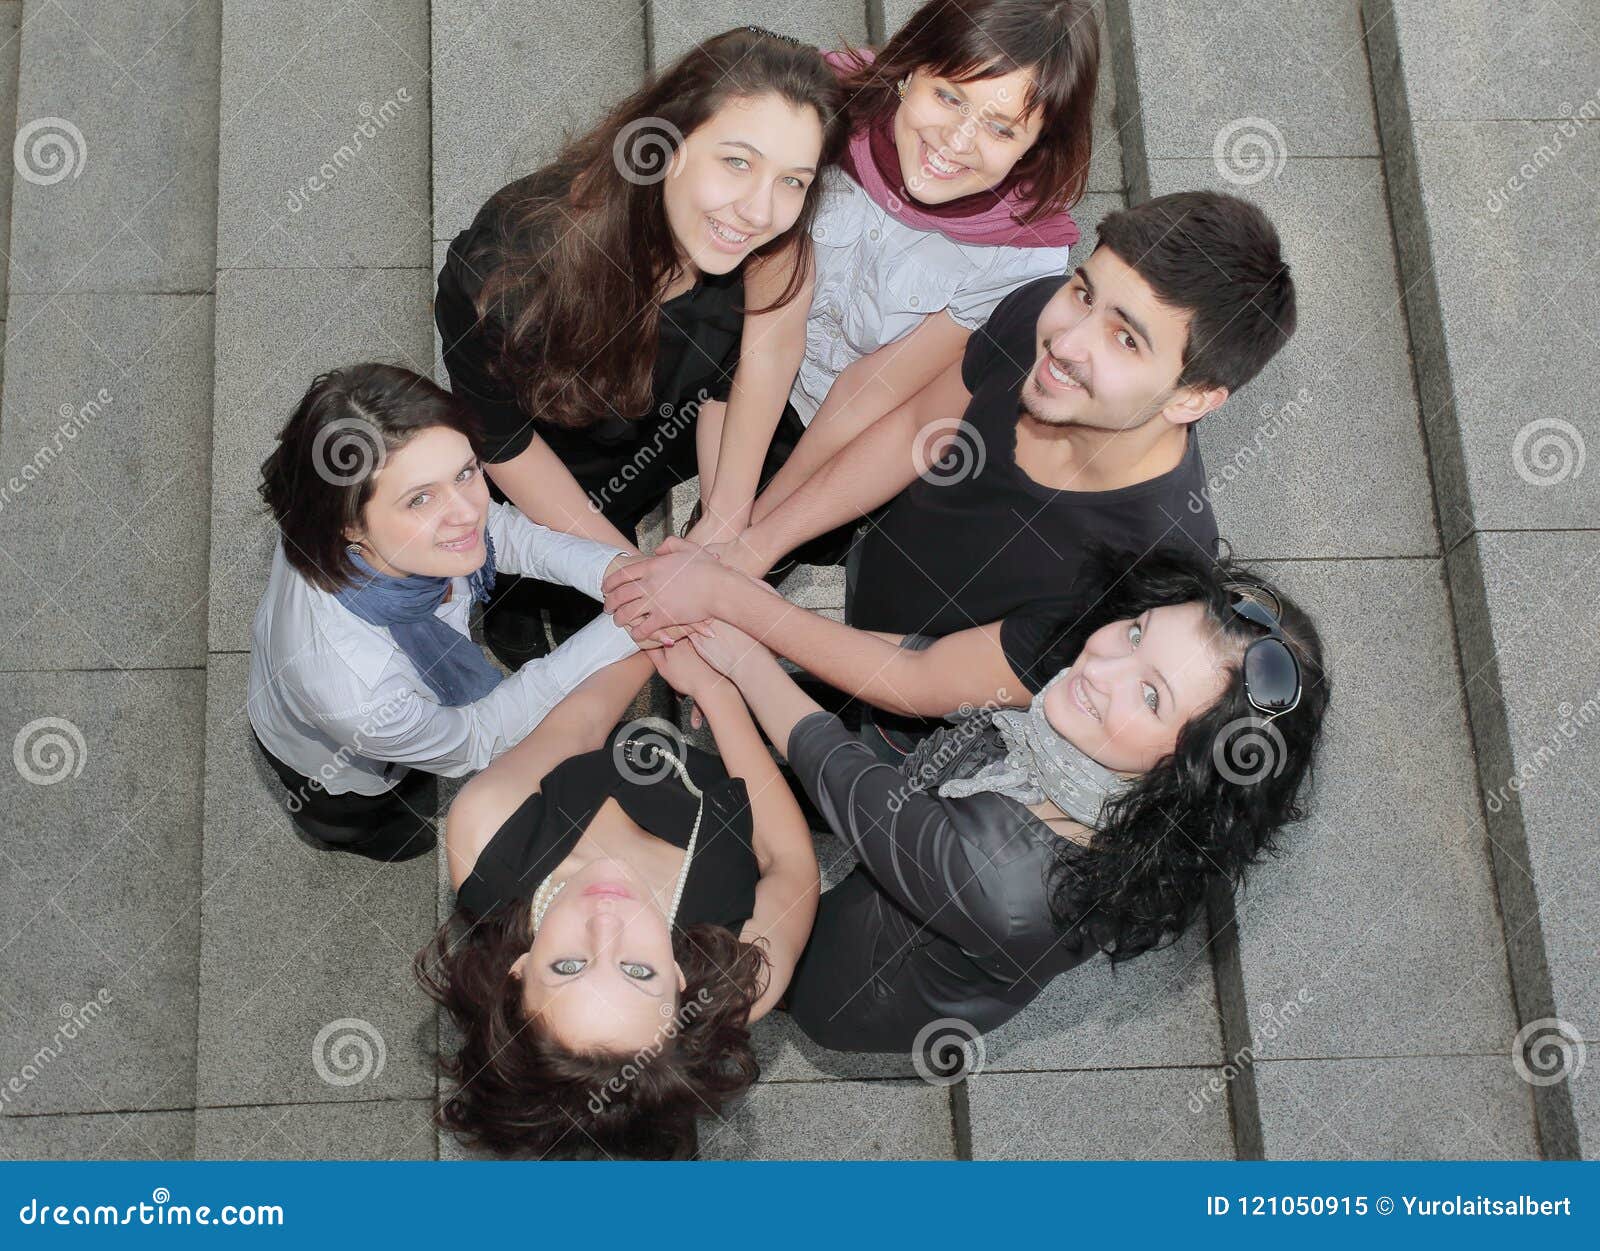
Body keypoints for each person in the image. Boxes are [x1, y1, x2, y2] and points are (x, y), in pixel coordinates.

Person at [603, 191, 1297, 756]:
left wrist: (733, 604)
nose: (1066, 340)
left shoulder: (1143, 577)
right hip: (882, 579)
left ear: (1194, 397)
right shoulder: (1039, 314)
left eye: (1125, 337)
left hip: (925, 716)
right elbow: (914, 432)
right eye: (1084, 291)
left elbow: (922, 676)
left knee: (796, 763)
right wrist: (750, 551)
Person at [679, 546, 1329, 1053]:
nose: (1100, 669)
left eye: (1152, 694)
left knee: (797, 960)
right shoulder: (1108, 759)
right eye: (1136, 632)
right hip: (943, 825)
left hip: (860, 976)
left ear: (1188, 775)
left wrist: (741, 662)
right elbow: (925, 666)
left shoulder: (1006, 885)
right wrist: (763, 629)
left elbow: (858, 790)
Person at [434, 27, 846, 667]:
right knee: (560, 575)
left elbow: (760, 359)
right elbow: (505, 443)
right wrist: (629, 581)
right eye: (737, 162)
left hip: (683, 415)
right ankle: (529, 604)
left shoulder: (771, 244)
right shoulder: (510, 269)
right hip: (567, 451)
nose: (760, 211)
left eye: (793, 180)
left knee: (783, 475)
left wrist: (723, 525)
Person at [418, 641, 819, 1159]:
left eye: (567, 965)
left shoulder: (484, 830)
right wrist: (718, 694)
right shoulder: (738, 981)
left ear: (518, 970)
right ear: (680, 985)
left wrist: (656, 632)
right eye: (638, 971)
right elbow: (790, 862)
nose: (605, 922)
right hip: (743, 777)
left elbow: (578, 728)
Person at [247, 363, 639, 862]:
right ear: (349, 526)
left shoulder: (341, 515)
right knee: (355, 816)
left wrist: (619, 573)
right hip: (327, 764)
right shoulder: (358, 691)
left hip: (375, 711)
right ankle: (355, 834)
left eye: (466, 471)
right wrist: (625, 625)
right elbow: (476, 735)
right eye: (420, 499)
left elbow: (504, 532)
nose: (468, 512)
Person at [745, 0, 1101, 549]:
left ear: (1039, 143)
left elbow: (868, 394)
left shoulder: (1023, 257)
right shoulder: (825, 107)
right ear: (912, 68)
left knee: (768, 545)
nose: (957, 142)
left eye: (1002, 130)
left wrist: (753, 534)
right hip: (741, 352)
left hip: (842, 430)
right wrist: (726, 512)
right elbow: (770, 322)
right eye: (949, 97)